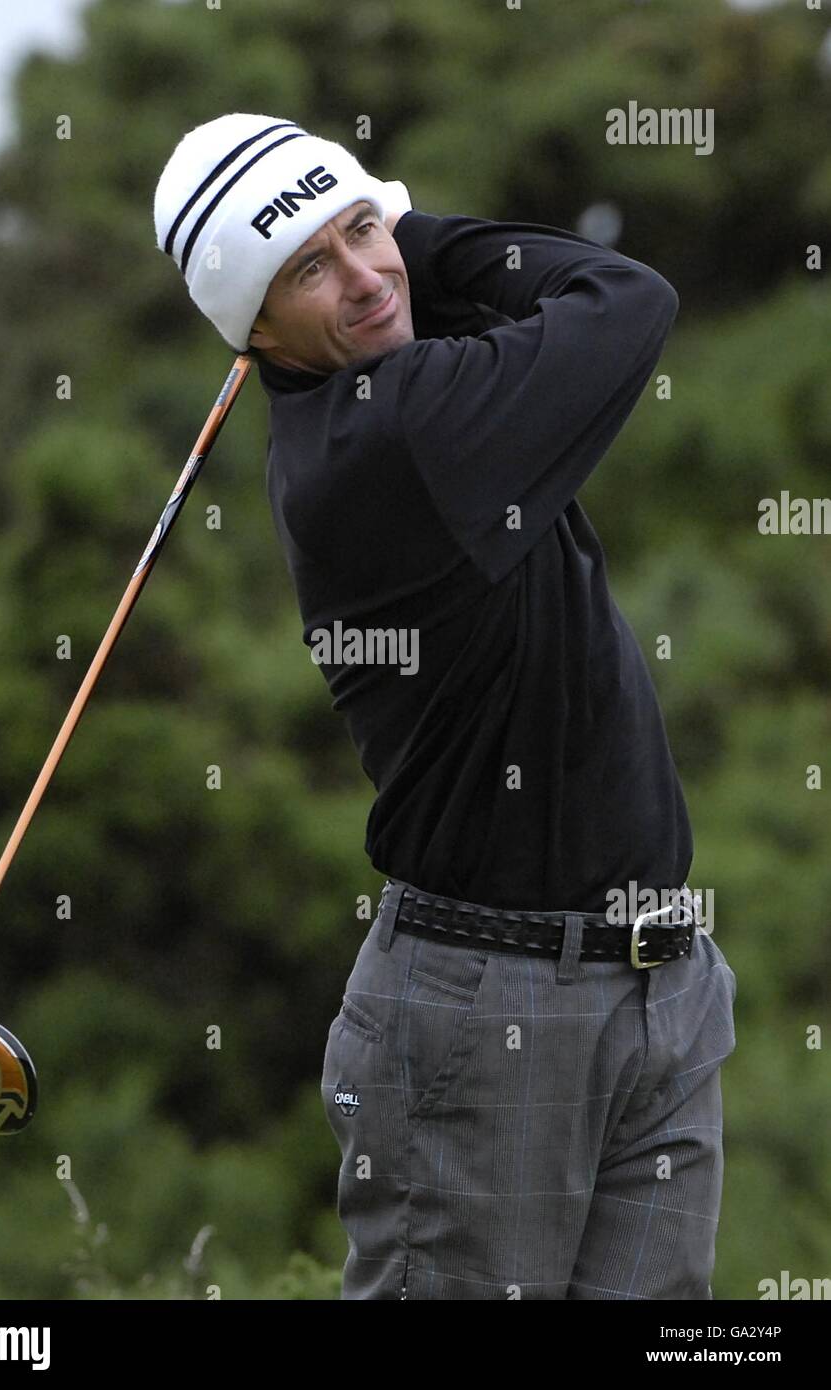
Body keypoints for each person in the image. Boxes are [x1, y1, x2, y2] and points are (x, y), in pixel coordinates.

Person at [154, 113, 738, 1300]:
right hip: (486, 1019)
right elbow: (622, 296)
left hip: (663, 981)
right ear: (252, 329)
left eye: (365, 231)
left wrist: (361, 232)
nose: (367, 277)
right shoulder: (391, 437)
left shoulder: (388, 386)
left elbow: (532, 303)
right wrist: (408, 223)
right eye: (307, 267)